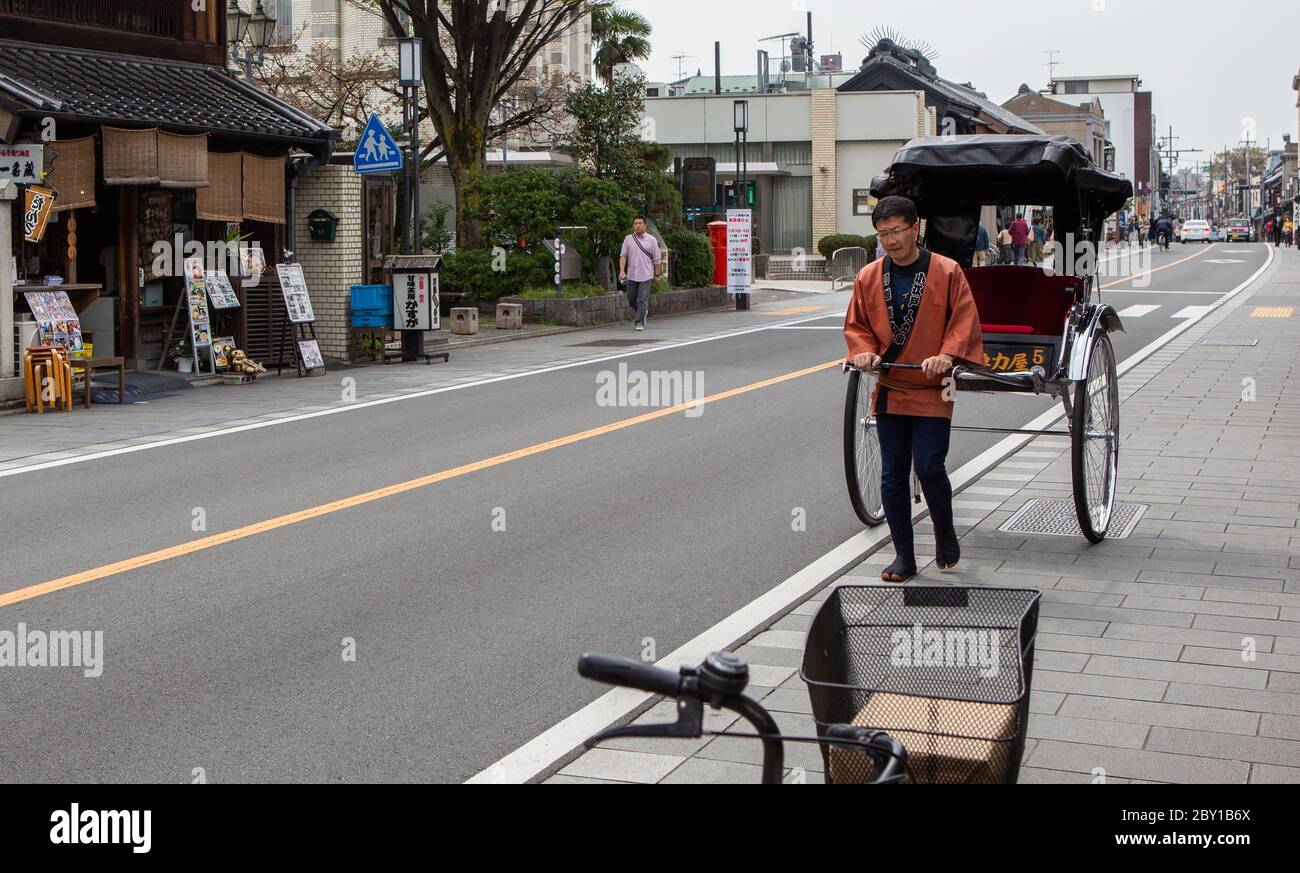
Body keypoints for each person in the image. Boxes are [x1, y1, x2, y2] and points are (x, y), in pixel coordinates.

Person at [843, 196, 984, 583]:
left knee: (929, 466)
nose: (890, 240)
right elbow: (857, 327)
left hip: (934, 385)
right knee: (892, 474)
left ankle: (944, 531)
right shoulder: (869, 276)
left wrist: (947, 354)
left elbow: (963, 321)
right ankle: (903, 554)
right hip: (890, 384)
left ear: (915, 227)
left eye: (896, 231)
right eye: (882, 233)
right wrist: (865, 353)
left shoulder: (946, 270)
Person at [618, 215, 661, 331]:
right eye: (635, 223)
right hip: (631, 275)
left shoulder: (652, 240)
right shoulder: (628, 239)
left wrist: (657, 275)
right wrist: (622, 271)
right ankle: (642, 312)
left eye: (640, 223)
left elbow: (657, 260)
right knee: (631, 299)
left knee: (642, 299)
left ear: (645, 225)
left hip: (646, 275)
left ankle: (639, 322)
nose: (637, 225)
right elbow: (623, 256)